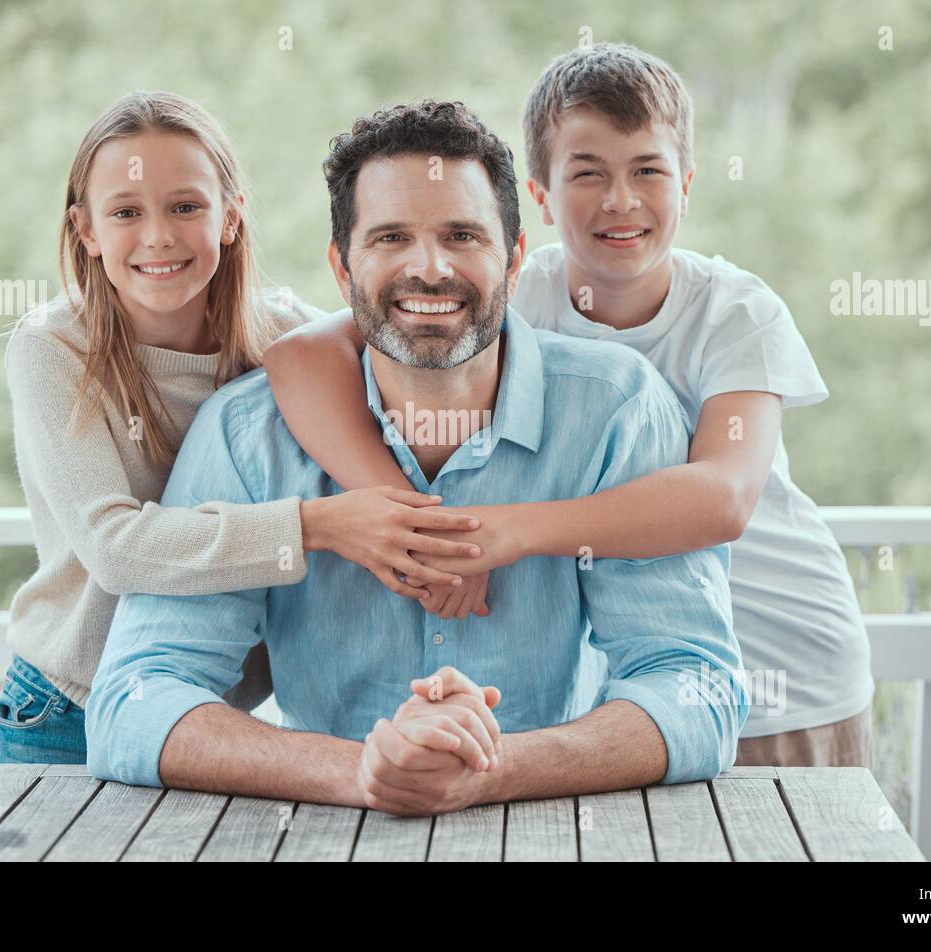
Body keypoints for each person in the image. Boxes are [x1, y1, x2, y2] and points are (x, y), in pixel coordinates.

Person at [85, 100, 748, 816]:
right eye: (391, 237)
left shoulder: (618, 412)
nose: (428, 268)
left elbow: (695, 686)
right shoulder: (246, 436)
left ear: (516, 259)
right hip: (318, 833)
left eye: (461, 235)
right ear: (341, 269)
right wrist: (364, 772)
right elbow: (134, 699)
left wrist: (500, 768)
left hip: (557, 830)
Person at [263, 45, 874, 768]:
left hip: (787, 672)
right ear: (542, 196)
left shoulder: (735, 314)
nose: (621, 199)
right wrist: (427, 534)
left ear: (688, 185)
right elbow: (300, 357)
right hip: (636, 683)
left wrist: (504, 534)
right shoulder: (519, 291)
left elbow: (723, 499)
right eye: (588, 173)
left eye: (648, 169)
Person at [0, 91, 481, 764]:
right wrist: (321, 525)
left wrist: (439, 537)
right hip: (68, 704)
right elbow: (114, 550)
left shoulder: (283, 338)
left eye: (186, 207)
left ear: (231, 215)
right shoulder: (52, 349)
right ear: (86, 230)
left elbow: (390, 327)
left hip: (218, 717)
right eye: (126, 213)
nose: (159, 235)